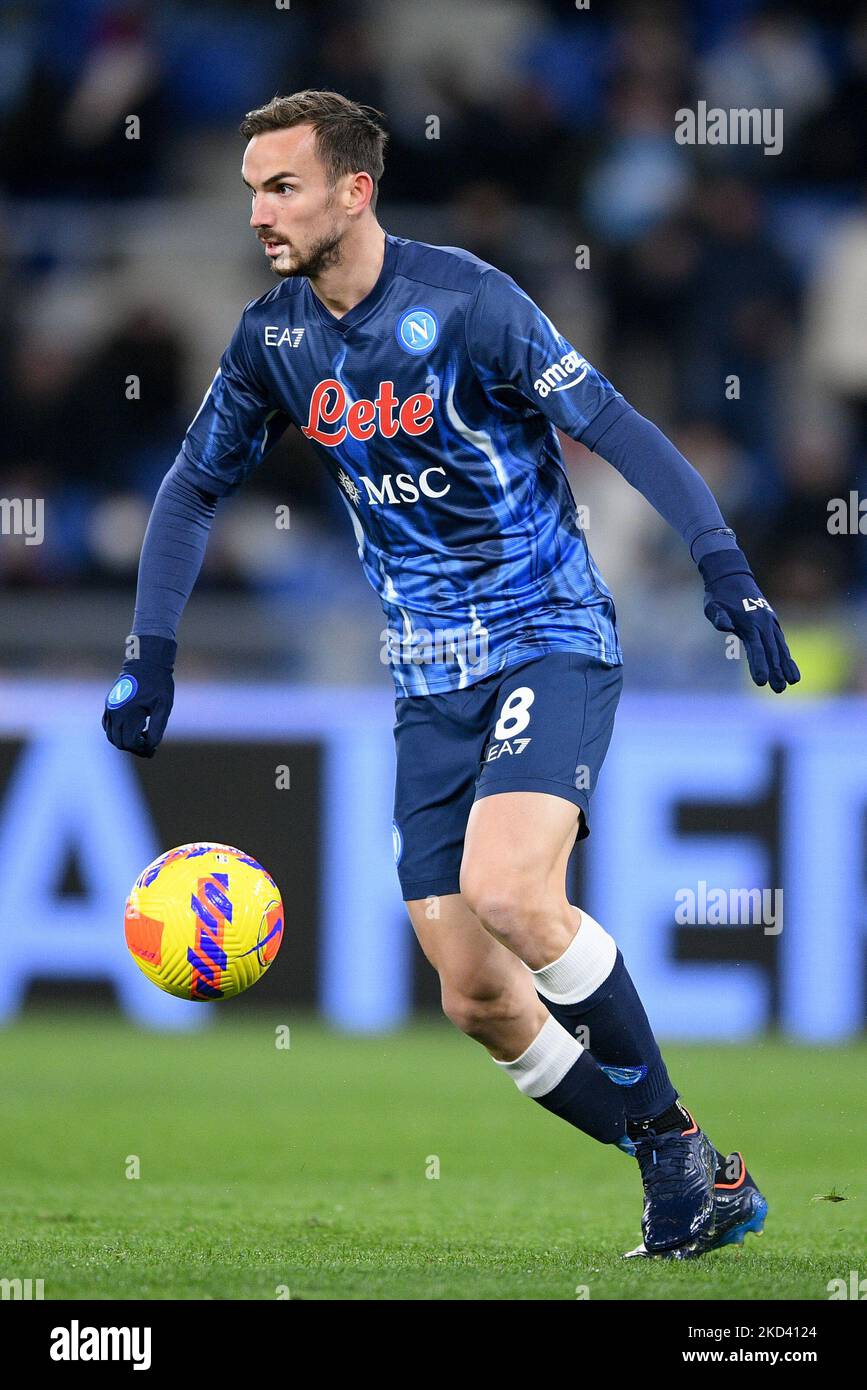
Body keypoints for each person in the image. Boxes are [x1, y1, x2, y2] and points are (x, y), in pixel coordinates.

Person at [103, 90, 799, 1258]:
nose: (259, 210)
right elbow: (189, 489)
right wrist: (151, 651)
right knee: (475, 996)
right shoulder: (273, 338)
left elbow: (619, 425)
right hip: (427, 683)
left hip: (548, 634)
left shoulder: (470, 302)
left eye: (281, 186)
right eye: (250, 188)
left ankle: (677, 1153)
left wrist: (726, 565)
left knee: (514, 891)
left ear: (353, 190)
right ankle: (694, 1170)